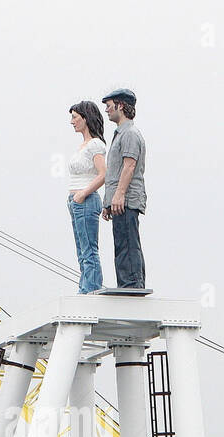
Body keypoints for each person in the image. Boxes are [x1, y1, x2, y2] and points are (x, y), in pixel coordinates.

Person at [100, 88, 147, 288]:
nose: (107, 110)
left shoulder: (129, 134)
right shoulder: (121, 134)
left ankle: (133, 284)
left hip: (126, 200)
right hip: (119, 202)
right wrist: (108, 202)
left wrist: (118, 196)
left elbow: (129, 165)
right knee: (121, 245)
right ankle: (126, 283)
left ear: (120, 105)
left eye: (109, 106)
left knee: (128, 243)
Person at [66, 101, 107, 294]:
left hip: (86, 200)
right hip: (75, 201)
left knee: (89, 250)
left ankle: (90, 288)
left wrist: (83, 194)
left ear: (85, 118)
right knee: (81, 250)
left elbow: (103, 174)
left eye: (75, 117)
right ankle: (85, 286)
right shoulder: (82, 146)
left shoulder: (95, 145)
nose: (72, 121)